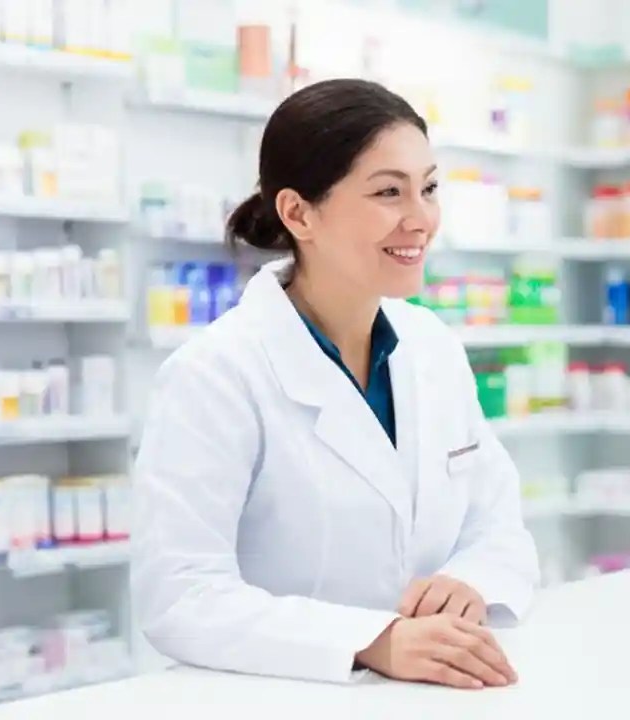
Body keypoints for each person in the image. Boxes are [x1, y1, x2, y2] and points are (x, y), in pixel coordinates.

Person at [132, 79, 539, 690]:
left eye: (428, 188)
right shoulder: (216, 374)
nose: (421, 218)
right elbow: (181, 596)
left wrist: (470, 583)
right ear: (298, 213)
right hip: (275, 697)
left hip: (429, 695)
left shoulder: (431, 348)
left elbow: (498, 525)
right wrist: (371, 639)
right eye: (387, 192)